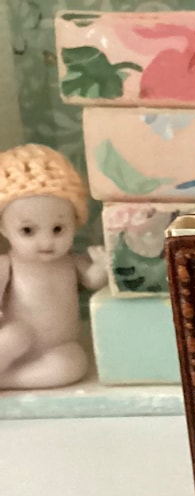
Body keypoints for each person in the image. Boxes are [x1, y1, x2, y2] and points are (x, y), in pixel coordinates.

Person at [0, 144, 106, 389]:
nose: (46, 242)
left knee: (73, 362)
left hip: (55, 349)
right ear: (4, 228)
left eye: (58, 229)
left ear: (74, 223)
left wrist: (101, 267)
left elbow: (92, 280)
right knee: (14, 337)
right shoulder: (8, 266)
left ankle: (9, 380)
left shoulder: (70, 262)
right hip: (16, 338)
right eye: (28, 231)